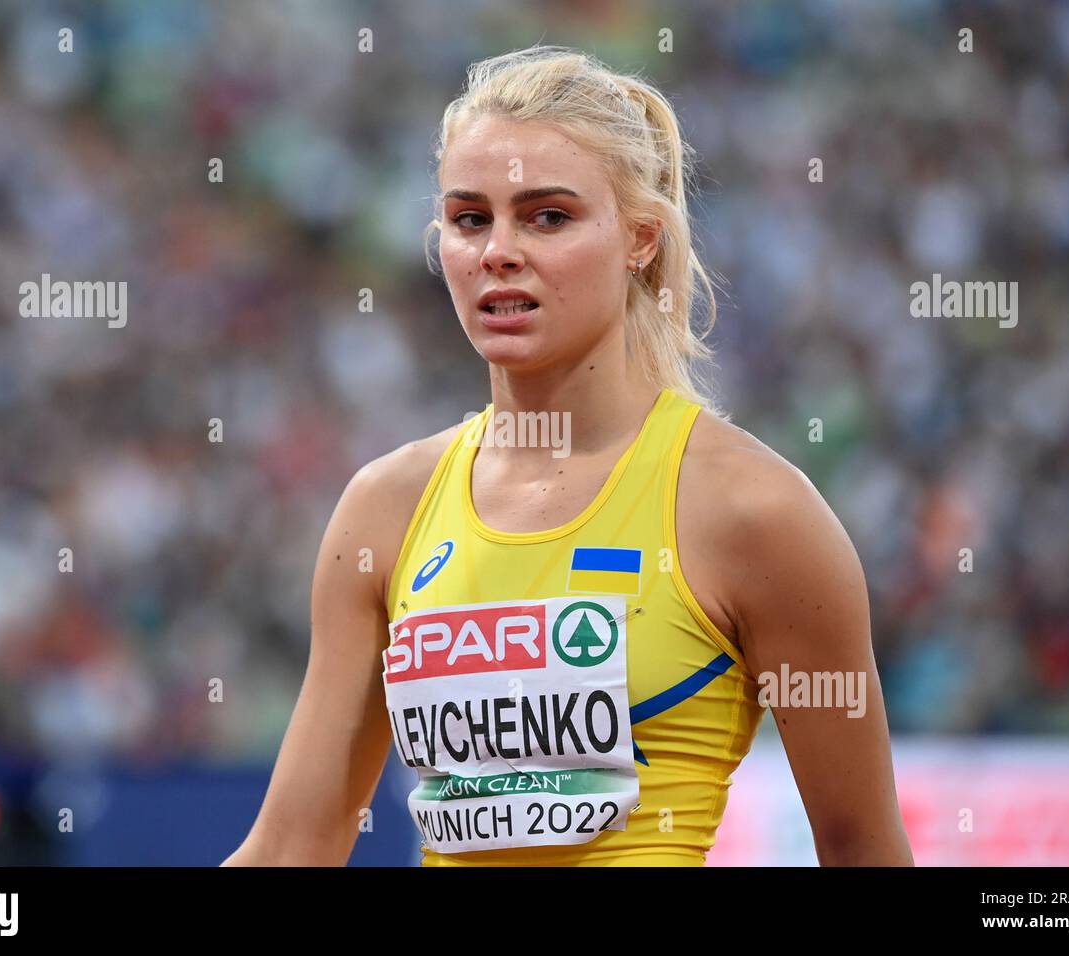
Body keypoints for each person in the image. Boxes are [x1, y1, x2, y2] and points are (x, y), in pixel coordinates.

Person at [223, 45, 913, 867]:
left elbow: (863, 852)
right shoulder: (385, 507)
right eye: (470, 218)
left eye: (548, 216)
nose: (498, 251)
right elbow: (292, 847)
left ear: (640, 240)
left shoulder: (752, 512)